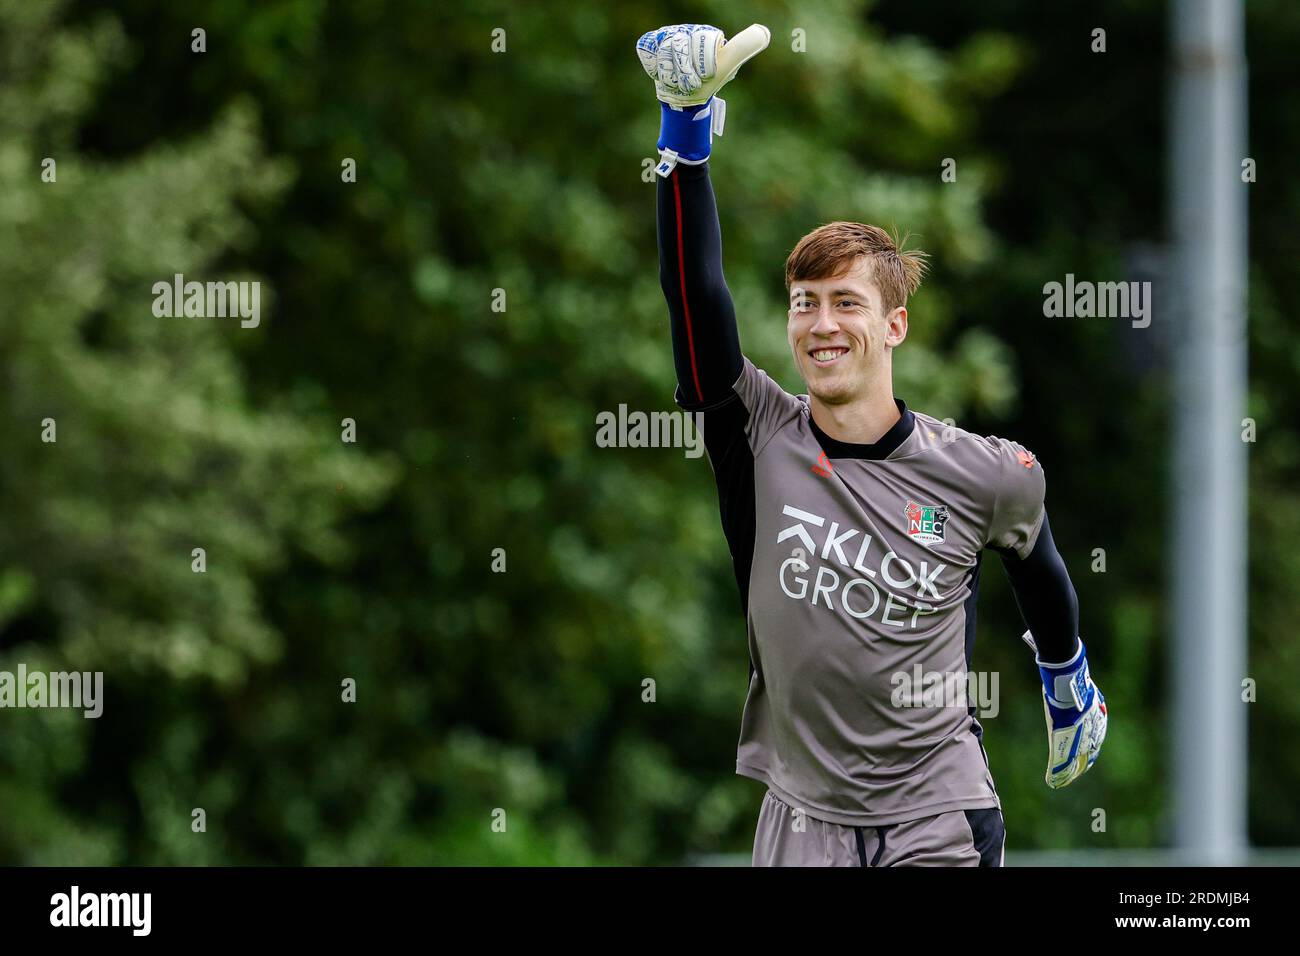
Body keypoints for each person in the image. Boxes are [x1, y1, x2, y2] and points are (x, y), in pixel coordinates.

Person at [636, 22, 1108, 867]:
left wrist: (1066, 677)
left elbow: (1035, 554)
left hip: (938, 814)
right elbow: (694, 301)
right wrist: (684, 129)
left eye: (846, 302)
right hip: (801, 819)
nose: (821, 324)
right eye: (803, 302)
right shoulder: (757, 431)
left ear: (894, 325)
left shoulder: (982, 472)